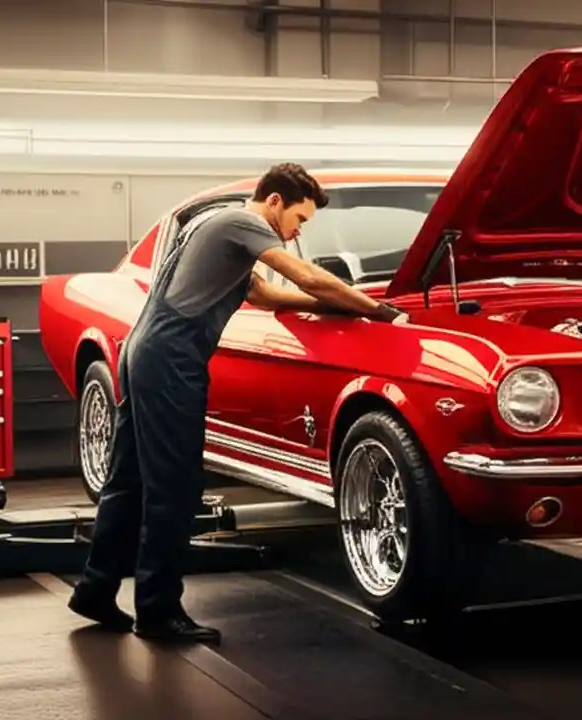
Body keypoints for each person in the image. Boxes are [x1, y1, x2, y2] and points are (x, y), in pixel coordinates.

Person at [67, 163, 407, 644]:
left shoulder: (214, 225)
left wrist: (336, 305)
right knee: (176, 488)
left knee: (129, 481)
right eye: (299, 220)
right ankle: (158, 611)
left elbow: (266, 294)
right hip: (172, 356)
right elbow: (305, 277)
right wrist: (379, 310)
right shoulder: (244, 223)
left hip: (142, 351)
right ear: (274, 202)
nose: (296, 233)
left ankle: (95, 590)